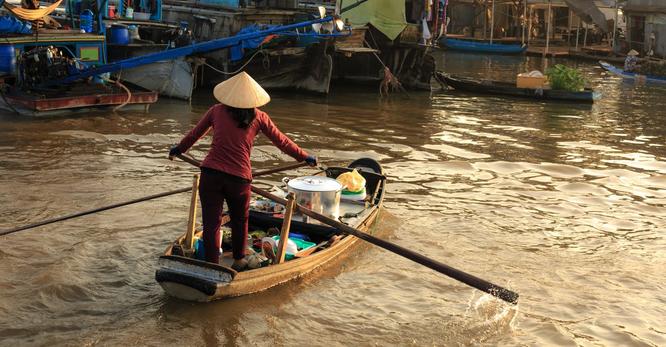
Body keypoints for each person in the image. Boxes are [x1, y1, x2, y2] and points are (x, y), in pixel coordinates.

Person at [168, 72, 317, 271]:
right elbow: (281, 141)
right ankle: (238, 259)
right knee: (240, 220)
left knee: (212, 223)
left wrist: (179, 149)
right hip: (238, 180)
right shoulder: (259, 116)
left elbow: (195, 134)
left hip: (210, 174)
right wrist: (304, 157)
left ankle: (212, 265)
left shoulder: (216, 110)